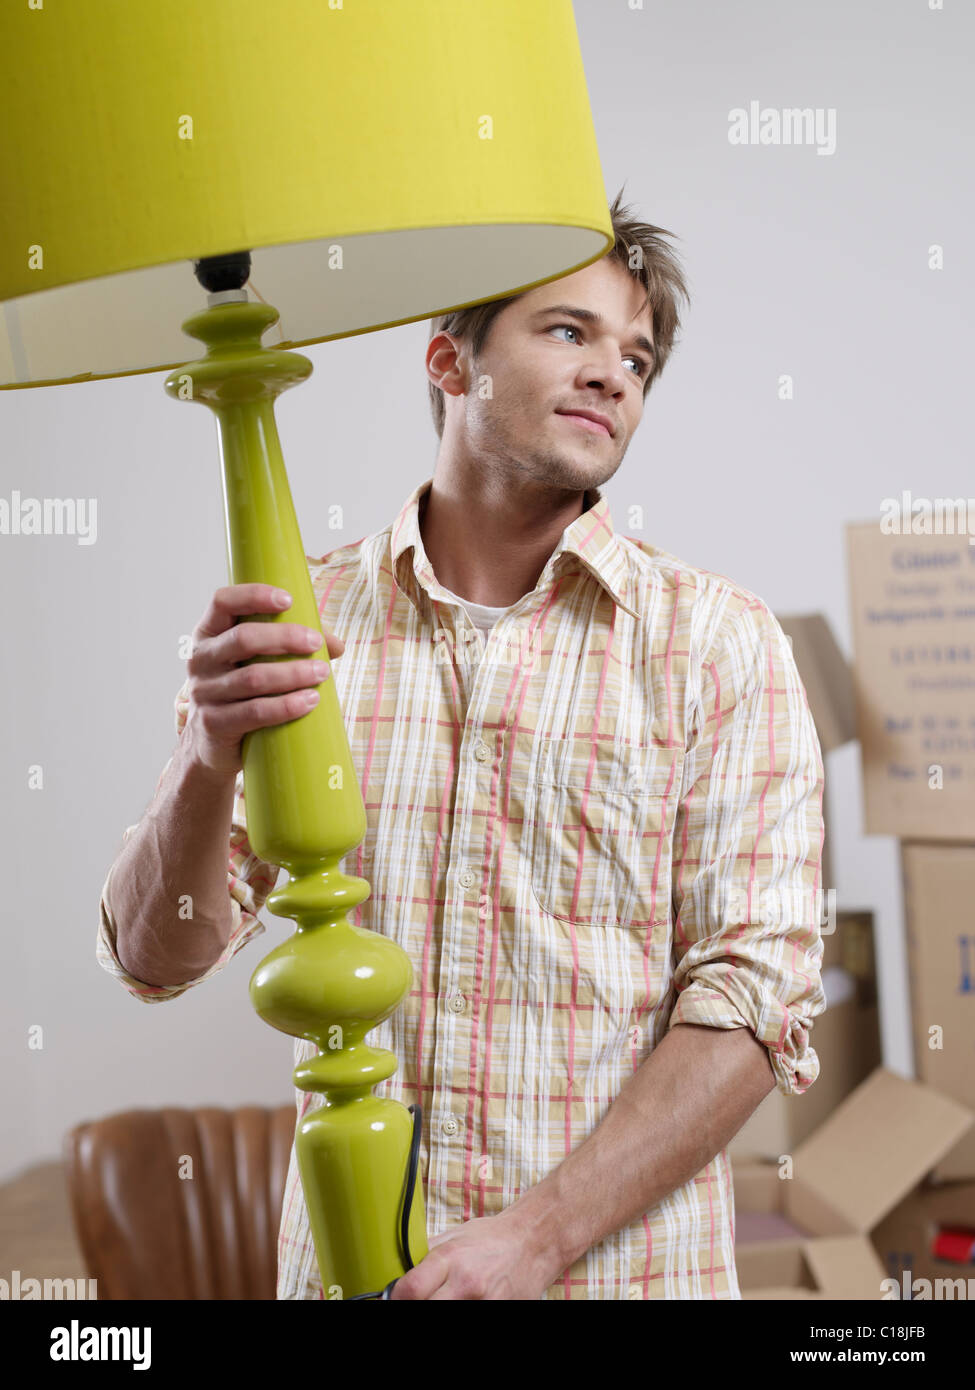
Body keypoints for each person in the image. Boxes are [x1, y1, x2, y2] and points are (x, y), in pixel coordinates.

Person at [97, 188, 827, 1300]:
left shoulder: (718, 643)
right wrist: (208, 753)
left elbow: (752, 1004)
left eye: (638, 358)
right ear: (450, 363)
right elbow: (160, 955)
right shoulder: (304, 617)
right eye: (569, 331)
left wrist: (535, 1238)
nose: (612, 375)